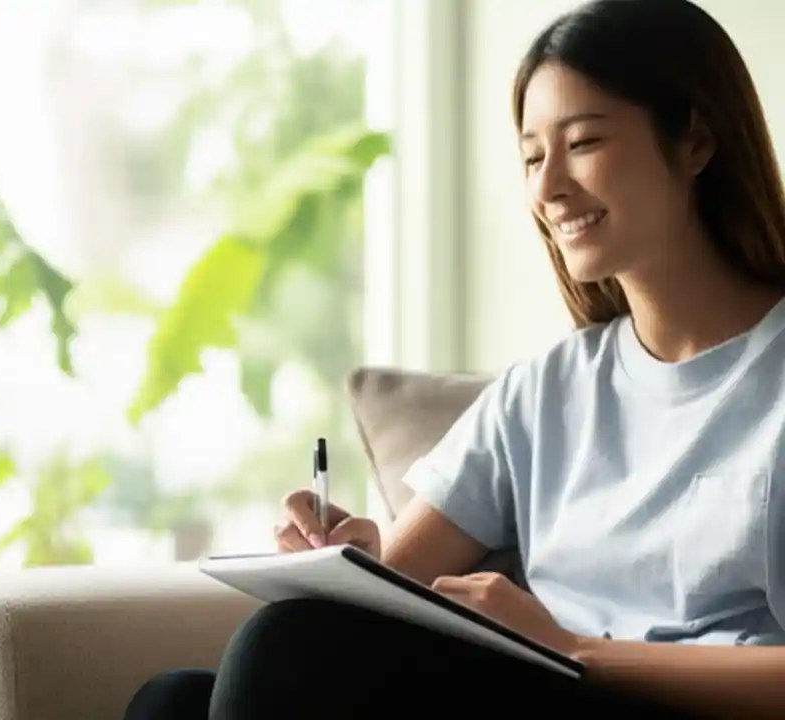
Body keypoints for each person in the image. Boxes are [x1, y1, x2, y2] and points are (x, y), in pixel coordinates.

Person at [123, 0, 785, 718]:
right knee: (173, 700)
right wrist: (352, 557)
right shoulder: (548, 392)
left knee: (285, 651)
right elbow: (393, 589)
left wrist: (573, 648)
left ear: (696, 140)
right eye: (533, 156)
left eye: (584, 142)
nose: (548, 187)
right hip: (548, 686)